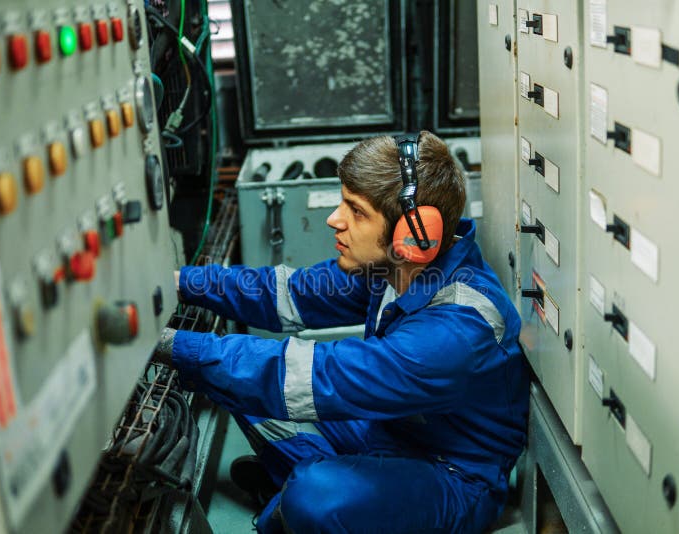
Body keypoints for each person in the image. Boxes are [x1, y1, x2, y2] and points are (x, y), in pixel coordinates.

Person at [155, 131, 529, 533]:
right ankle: (315, 492)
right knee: (242, 383)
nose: (335, 219)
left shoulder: (456, 330)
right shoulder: (393, 269)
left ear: (414, 232)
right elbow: (285, 293)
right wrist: (178, 281)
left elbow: (323, 378)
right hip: (388, 428)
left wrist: (169, 346)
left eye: (356, 210)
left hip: (452, 475)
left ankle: (296, 497)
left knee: (313, 492)